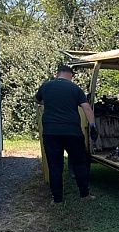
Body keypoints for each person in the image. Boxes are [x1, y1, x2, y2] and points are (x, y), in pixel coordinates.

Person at [35, 64, 97, 203]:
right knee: (79, 163)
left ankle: (57, 199)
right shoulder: (75, 88)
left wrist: (50, 104)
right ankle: (84, 195)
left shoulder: (46, 86)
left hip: (51, 133)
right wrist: (92, 125)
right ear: (71, 75)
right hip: (72, 132)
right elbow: (86, 107)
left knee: (55, 166)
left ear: (58, 74)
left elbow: (38, 100)